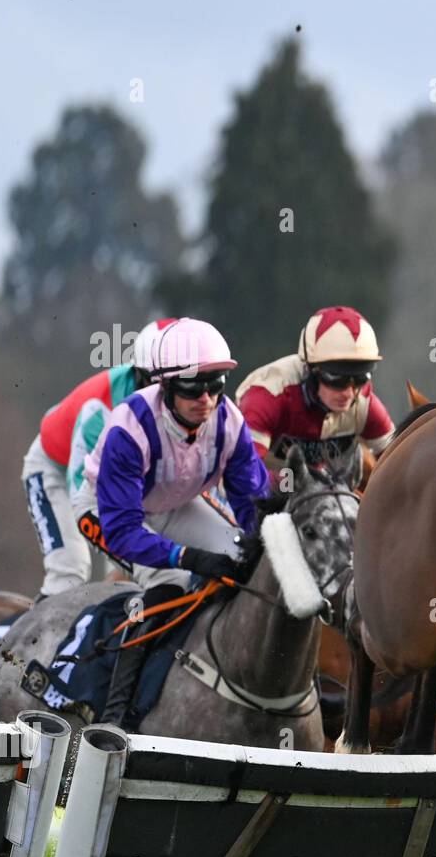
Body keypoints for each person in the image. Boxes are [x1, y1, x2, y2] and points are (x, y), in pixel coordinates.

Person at [75, 317, 270, 726]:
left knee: (245, 559)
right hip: (109, 512)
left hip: (175, 504)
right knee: (173, 581)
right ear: (165, 387)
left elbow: (252, 502)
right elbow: (124, 531)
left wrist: (261, 539)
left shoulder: (229, 421)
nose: (206, 399)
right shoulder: (130, 428)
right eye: (193, 388)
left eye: (215, 385)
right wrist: (188, 557)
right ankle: (115, 714)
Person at [20, 317, 173, 599]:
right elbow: (86, 500)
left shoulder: (197, 406)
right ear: (140, 375)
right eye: (163, 387)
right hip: (57, 470)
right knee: (69, 575)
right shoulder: (103, 411)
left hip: (119, 479)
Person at [236, 305, 395, 489]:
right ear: (310, 370)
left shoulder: (365, 402)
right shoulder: (267, 396)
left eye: (360, 378)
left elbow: (401, 463)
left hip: (321, 495)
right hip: (255, 495)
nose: (349, 393)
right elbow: (242, 475)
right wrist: (294, 484)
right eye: (337, 379)